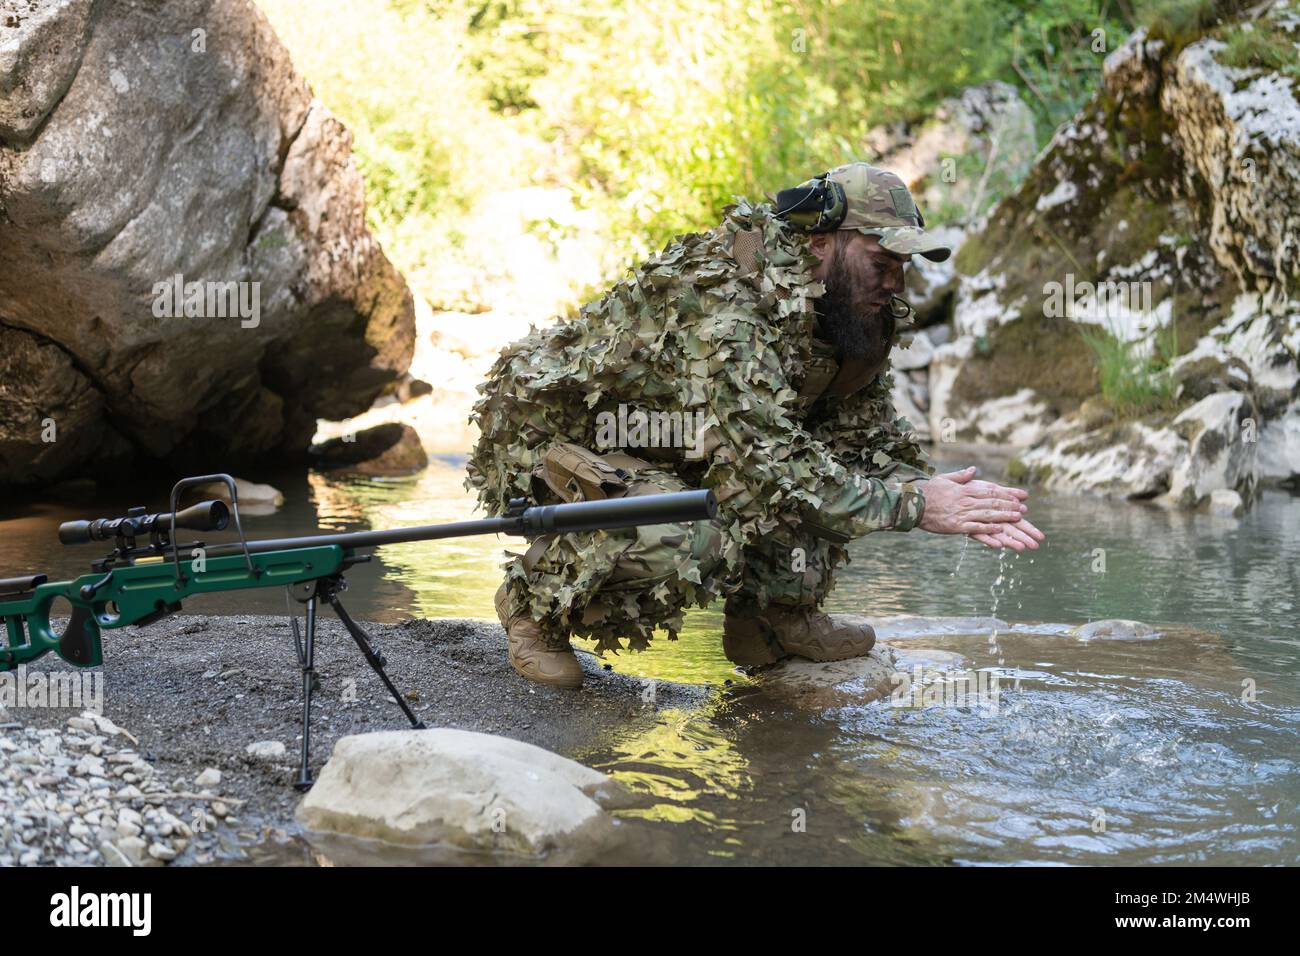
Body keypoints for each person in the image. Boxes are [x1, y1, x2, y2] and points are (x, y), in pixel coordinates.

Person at [467, 163, 1043, 688]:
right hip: (566, 440)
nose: (895, 283)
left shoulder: (849, 312)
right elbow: (764, 462)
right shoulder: (727, 302)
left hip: (684, 439)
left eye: (903, 268)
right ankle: (534, 605)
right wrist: (915, 508)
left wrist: (929, 489)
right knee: (699, 531)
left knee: (822, 469)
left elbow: (861, 441)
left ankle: (774, 621)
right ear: (820, 242)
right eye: (881, 263)